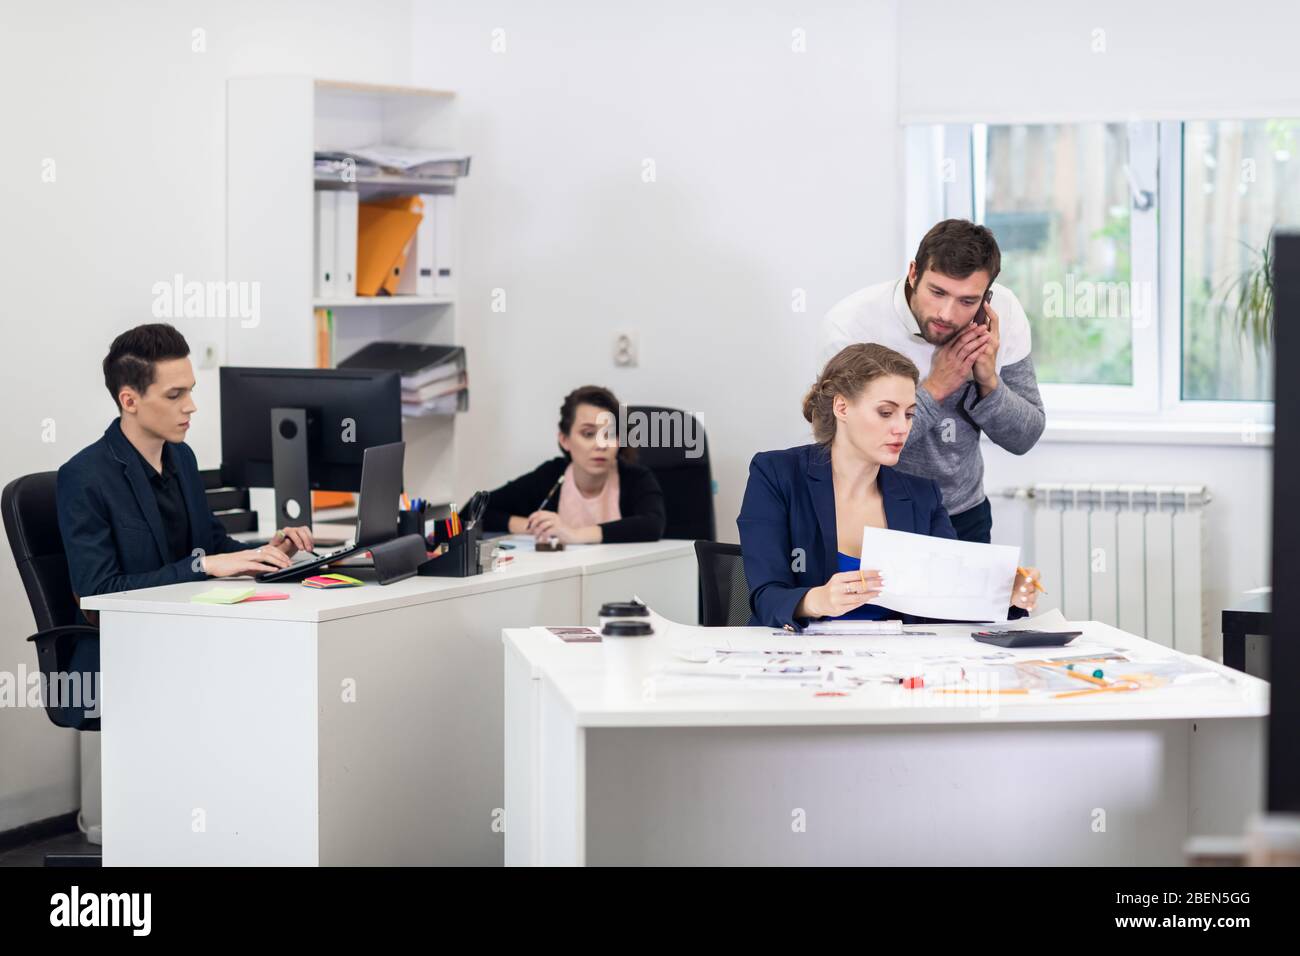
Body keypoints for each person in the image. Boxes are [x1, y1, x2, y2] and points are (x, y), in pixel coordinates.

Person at [738, 343, 1040, 631]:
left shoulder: (923, 496)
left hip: (894, 667)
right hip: (802, 663)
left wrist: (1007, 596)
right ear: (841, 407)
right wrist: (817, 600)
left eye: (909, 414)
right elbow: (766, 597)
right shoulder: (777, 474)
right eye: (885, 412)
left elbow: (949, 604)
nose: (902, 428)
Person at [57, 323, 314, 620]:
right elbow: (98, 593)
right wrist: (202, 566)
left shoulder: (182, 457)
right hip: (123, 644)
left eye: (190, 391)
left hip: (188, 627)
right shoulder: (84, 477)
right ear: (129, 401)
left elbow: (215, 546)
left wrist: (268, 552)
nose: (190, 406)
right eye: (174, 395)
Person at [820, 219, 1045, 543]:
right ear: (913, 273)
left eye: (967, 301)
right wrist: (937, 387)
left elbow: (1025, 437)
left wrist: (988, 382)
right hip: (872, 516)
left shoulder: (1003, 314)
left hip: (965, 514)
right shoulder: (851, 326)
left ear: (987, 297)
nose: (946, 314)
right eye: (937, 292)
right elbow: (843, 448)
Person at [482, 385, 666, 543]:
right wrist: (535, 526)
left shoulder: (636, 478)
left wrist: (574, 534)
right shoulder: (551, 476)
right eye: (588, 434)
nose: (601, 445)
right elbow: (476, 511)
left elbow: (652, 525)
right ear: (564, 440)